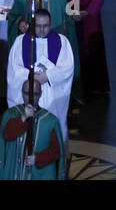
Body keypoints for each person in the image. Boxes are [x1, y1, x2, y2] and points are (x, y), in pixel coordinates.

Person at [6, 7, 75, 139]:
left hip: (52, 96)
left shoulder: (61, 42)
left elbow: (67, 68)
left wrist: (48, 76)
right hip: (29, 92)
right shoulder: (21, 42)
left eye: (46, 26)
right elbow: (14, 69)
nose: (42, 30)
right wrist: (31, 76)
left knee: (51, 132)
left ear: (51, 24)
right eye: (38, 26)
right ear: (32, 24)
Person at [0, 78, 65, 180]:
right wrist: (23, 118)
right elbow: (7, 136)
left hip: (38, 174)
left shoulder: (51, 121)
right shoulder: (11, 114)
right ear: (21, 93)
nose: (30, 98)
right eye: (26, 93)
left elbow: (57, 151)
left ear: (40, 94)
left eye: (34, 94)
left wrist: (38, 158)